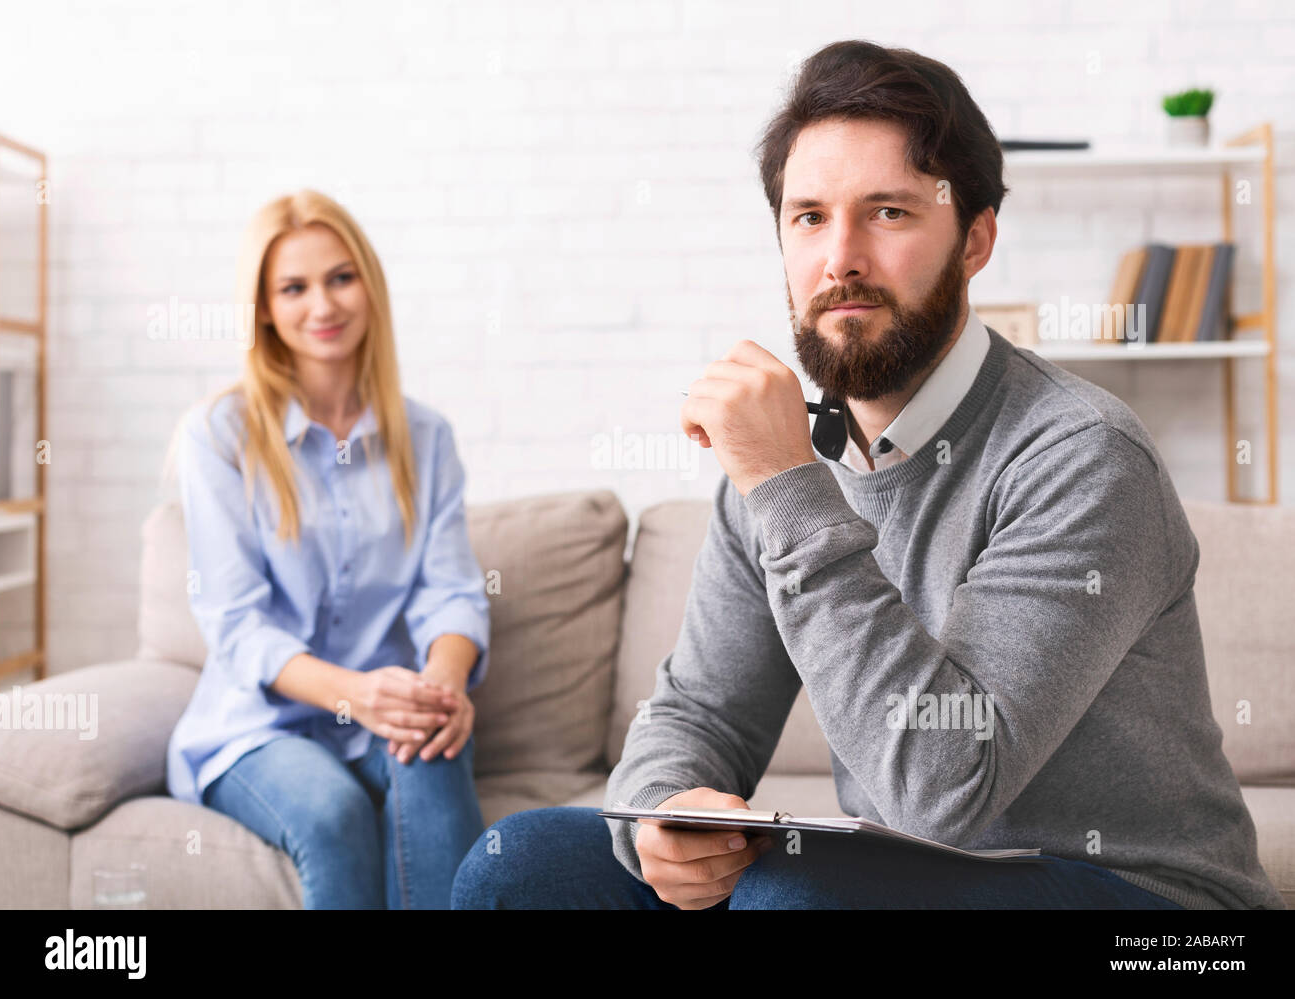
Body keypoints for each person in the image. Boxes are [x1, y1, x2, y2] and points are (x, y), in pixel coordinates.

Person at [450, 40, 1285, 910]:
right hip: (898, 888)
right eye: (809, 217)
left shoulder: (1082, 454)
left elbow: (944, 789)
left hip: (1155, 914)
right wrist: (664, 812)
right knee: (522, 863)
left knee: (796, 896)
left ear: (975, 240)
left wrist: (785, 484)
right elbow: (700, 713)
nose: (839, 257)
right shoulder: (780, 457)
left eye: (887, 213)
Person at [165, 190, 491, 909]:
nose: (323, 304)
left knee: (436, 755)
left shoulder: (426, 436)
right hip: (258, 726)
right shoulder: (217, 435)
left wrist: (442, 686)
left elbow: (452, 592)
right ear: (264, 308)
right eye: (294, 287)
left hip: (386, 710)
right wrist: (357, 693)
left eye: (341, 277)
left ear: (369, 285)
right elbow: (237, 623)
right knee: (333, 810)